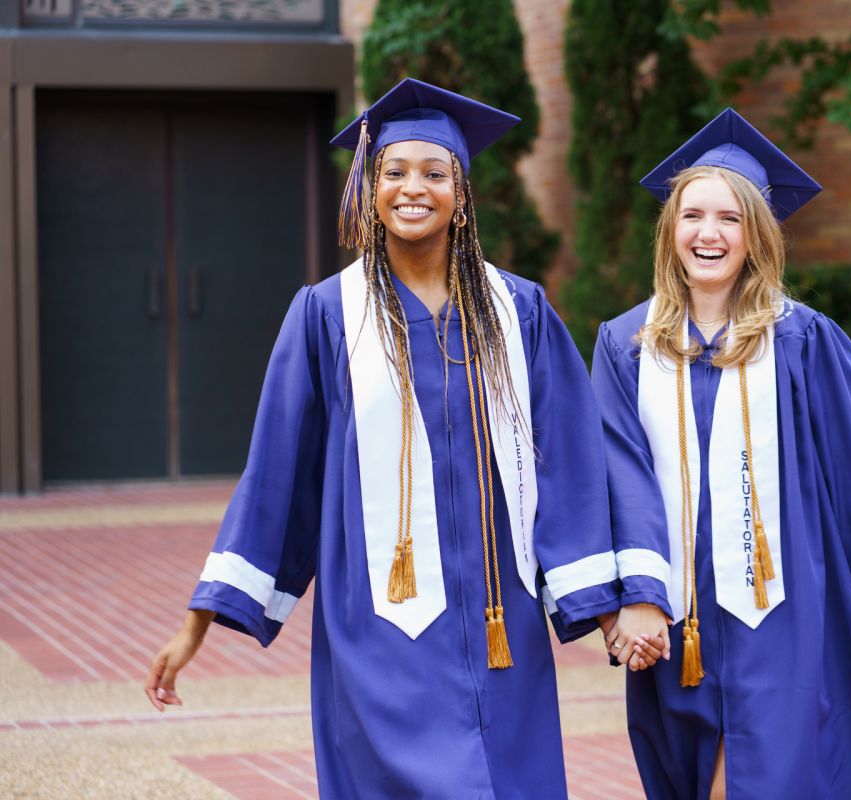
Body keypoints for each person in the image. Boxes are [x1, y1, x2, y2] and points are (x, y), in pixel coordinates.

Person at [144, 79, 630, 798]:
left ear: (461, 196)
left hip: (503, 624)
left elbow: (572, 462)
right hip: (379, 624)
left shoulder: (517, 311)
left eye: (435, 173)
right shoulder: (326, 315)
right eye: (394, 172)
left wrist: (606, 602)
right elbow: (279, 471)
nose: (413, 188)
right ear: (368, 190)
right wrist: (201, 620)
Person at [591, 108, 851, 799]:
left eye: (730, 218)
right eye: (692, 216)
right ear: (670, 230)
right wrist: (626, 601)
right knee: (687, 774)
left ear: (757, 236)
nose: (708, 233)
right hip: (676, 617)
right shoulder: (628, 344)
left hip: (785, 611)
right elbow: (610, 473)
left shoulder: (804, 340)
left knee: (763, 775)